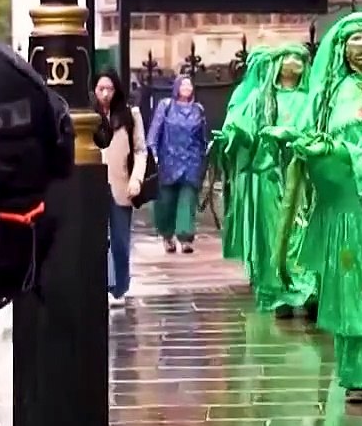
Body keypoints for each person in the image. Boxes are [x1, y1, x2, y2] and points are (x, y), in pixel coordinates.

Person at [291, 10, 362, 405]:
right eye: (355, 38)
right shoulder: (332, 94)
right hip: (346, 204)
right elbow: (312, 138)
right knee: (351, 284)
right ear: (342, 49)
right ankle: (356, 374)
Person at [213, 44, 316, 317]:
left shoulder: (314, 98)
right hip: (269, 175)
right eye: (288, 57)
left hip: (304, 174)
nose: (293, 63)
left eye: (299, 58)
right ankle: (277, 290)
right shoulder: (260, 99)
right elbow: (243, 129)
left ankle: (306, 289)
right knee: (273, 231)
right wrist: (234, 136)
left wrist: (294, 138)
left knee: (302, 232)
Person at [92, 68, 147, 307]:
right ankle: (106, 285)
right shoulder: (88, 116)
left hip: (122, 185)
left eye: (109, 89)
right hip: (94, 186)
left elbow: (140, 150)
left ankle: (121, 286)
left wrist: (136, 179)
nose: (105, 94)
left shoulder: (130, 115)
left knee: (121, 241)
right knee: (98, 239)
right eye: (100, 89)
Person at [149, 73, 210, 253]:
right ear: (176, 88)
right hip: (168, 161)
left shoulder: (198, 109)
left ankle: (185, 238)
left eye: (189, 85)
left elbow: (202, 137)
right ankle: (167, 235)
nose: (186, 88)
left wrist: (205, 155)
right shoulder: (166, 106)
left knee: (188, 200)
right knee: (165, 201)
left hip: (191, 162)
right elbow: (155, 131)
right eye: (183, 85)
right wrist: (152, 152)